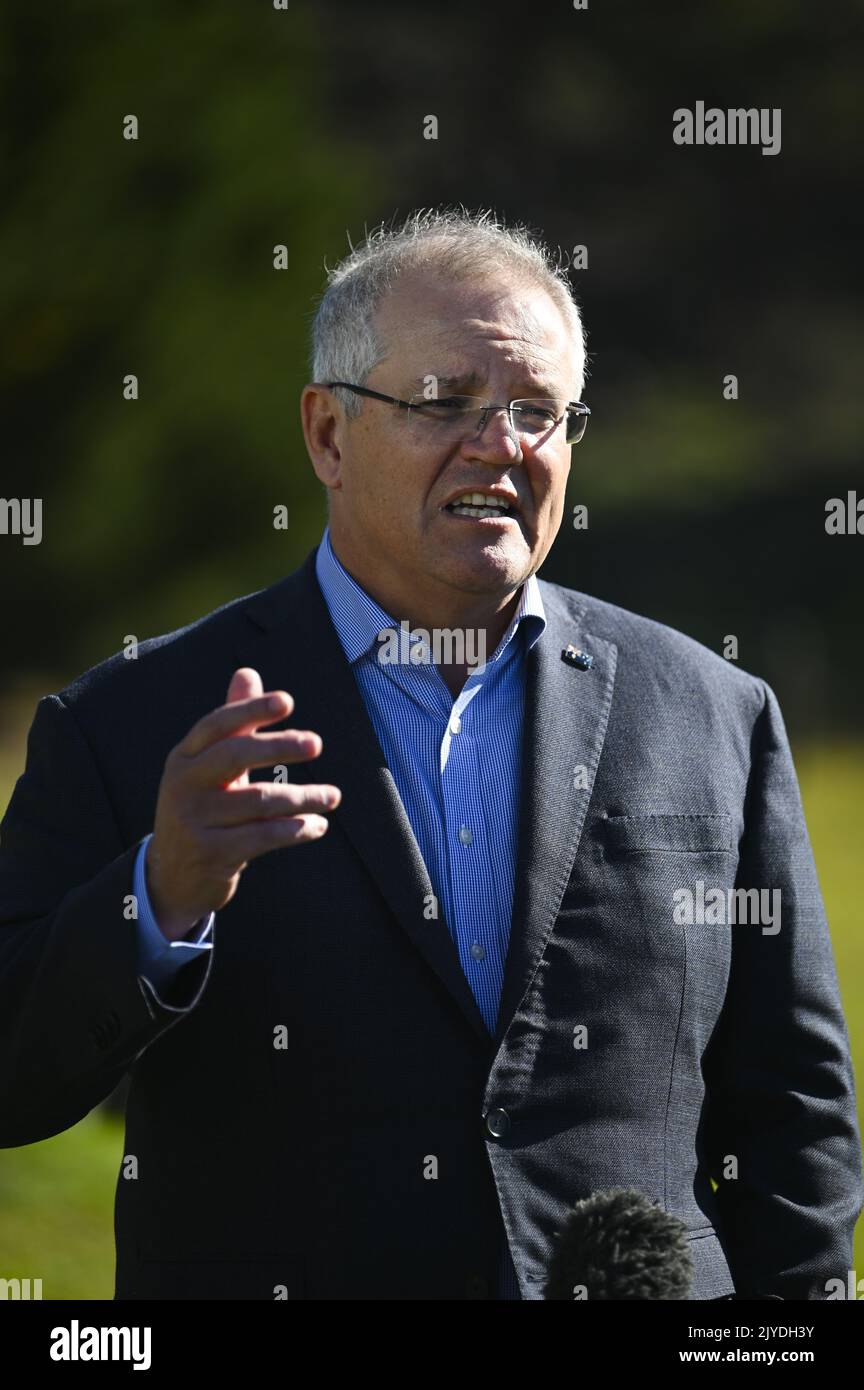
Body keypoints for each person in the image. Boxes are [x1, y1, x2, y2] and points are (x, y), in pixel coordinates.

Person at [1, 209, 861, 1300]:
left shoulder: (714, 710)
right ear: (326, 435)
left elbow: (794, 1115)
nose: (500, 446)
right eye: (445, 402)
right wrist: (158, 898)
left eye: (538, 413)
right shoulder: (134, 719)